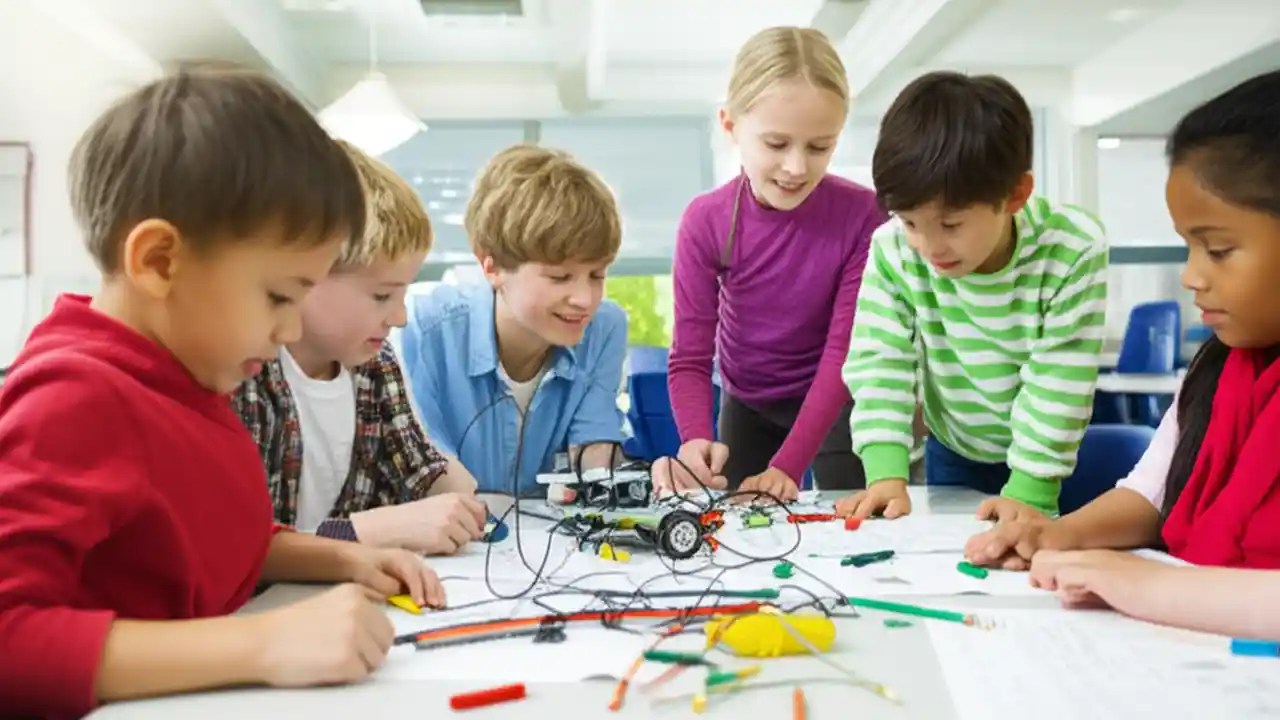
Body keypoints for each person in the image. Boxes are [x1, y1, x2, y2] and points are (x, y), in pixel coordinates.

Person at [0, 70, 443, 717]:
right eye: (277, 296)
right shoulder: (72, 397)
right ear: (159, 261)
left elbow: (207, 544)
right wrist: (260, 644)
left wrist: (348, 559)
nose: (290, 328)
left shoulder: (191, 378)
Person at [966, 69, 1280, 609]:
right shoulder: (1218, 367)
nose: (1191, 277)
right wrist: (1052, 534)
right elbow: (1153, 493)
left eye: (1219, 250)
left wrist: (1151, 585)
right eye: (1187, 247)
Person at [836, 71, 1108, 521]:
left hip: (1046, 455)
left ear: (1016, 194)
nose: (928, 247)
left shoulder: (1072, 248)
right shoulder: (893, 248)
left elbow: (1059, 381)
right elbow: (880, 359)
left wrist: (1030, 492)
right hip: (954, 445)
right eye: (910, 222)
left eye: (951, 224)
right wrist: (885, 473)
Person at [656, 26, 885, 502]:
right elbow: (691, 357)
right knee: (737, 526)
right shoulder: (706, 221)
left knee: (850, 525)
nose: (797, 167)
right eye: (777, 144)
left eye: (820, 147)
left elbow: (842, 353)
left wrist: (789, 464)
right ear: (730, 125)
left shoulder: (863, 215)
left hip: (835, 400)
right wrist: (695, 438)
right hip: (748, 403)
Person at [234, 141, 487, 555]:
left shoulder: (374, 363)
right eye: (382, 296)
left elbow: (418, 467)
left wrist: (453, 490)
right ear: (308, 276)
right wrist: (360, 534)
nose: (400, 318)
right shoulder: (245, 371)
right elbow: (240, 544)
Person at [398, 144, 627, 496]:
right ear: (492, 267)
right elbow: (429, 472)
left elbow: (595, 450)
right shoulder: (422, 329)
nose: (585, 299)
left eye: (597, 275)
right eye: (560, 277)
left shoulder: (605, 328)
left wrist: (611, 484)